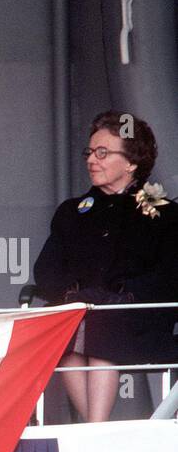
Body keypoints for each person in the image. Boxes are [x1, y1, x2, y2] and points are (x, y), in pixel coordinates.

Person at [33, 111, 177, 422]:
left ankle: (94, 429)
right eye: (90, 152)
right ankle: (95, 431)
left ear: (131, 163)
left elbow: (169, 274)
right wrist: (72, 293)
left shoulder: (162, 211)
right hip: (81, 316)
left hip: (137, 318)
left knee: (102, 327)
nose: (91, 160)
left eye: (103, 153)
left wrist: (124, 297)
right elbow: (45, 271)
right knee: (67, 331)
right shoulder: (73, 212)